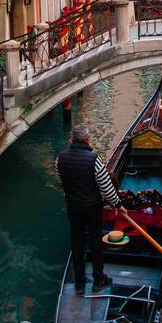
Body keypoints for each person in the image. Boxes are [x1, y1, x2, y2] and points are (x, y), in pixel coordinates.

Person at [55, 124, 123, 295]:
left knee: (77, 243)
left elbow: (60, 180)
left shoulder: (60, 158)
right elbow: (106, 187)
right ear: (87, 139)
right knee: (95, 242)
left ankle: (79, 284)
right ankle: (98, 280)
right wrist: (118, 205)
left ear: (72, 139)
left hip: (73, 206)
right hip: (92, 208)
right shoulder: (94, 159)